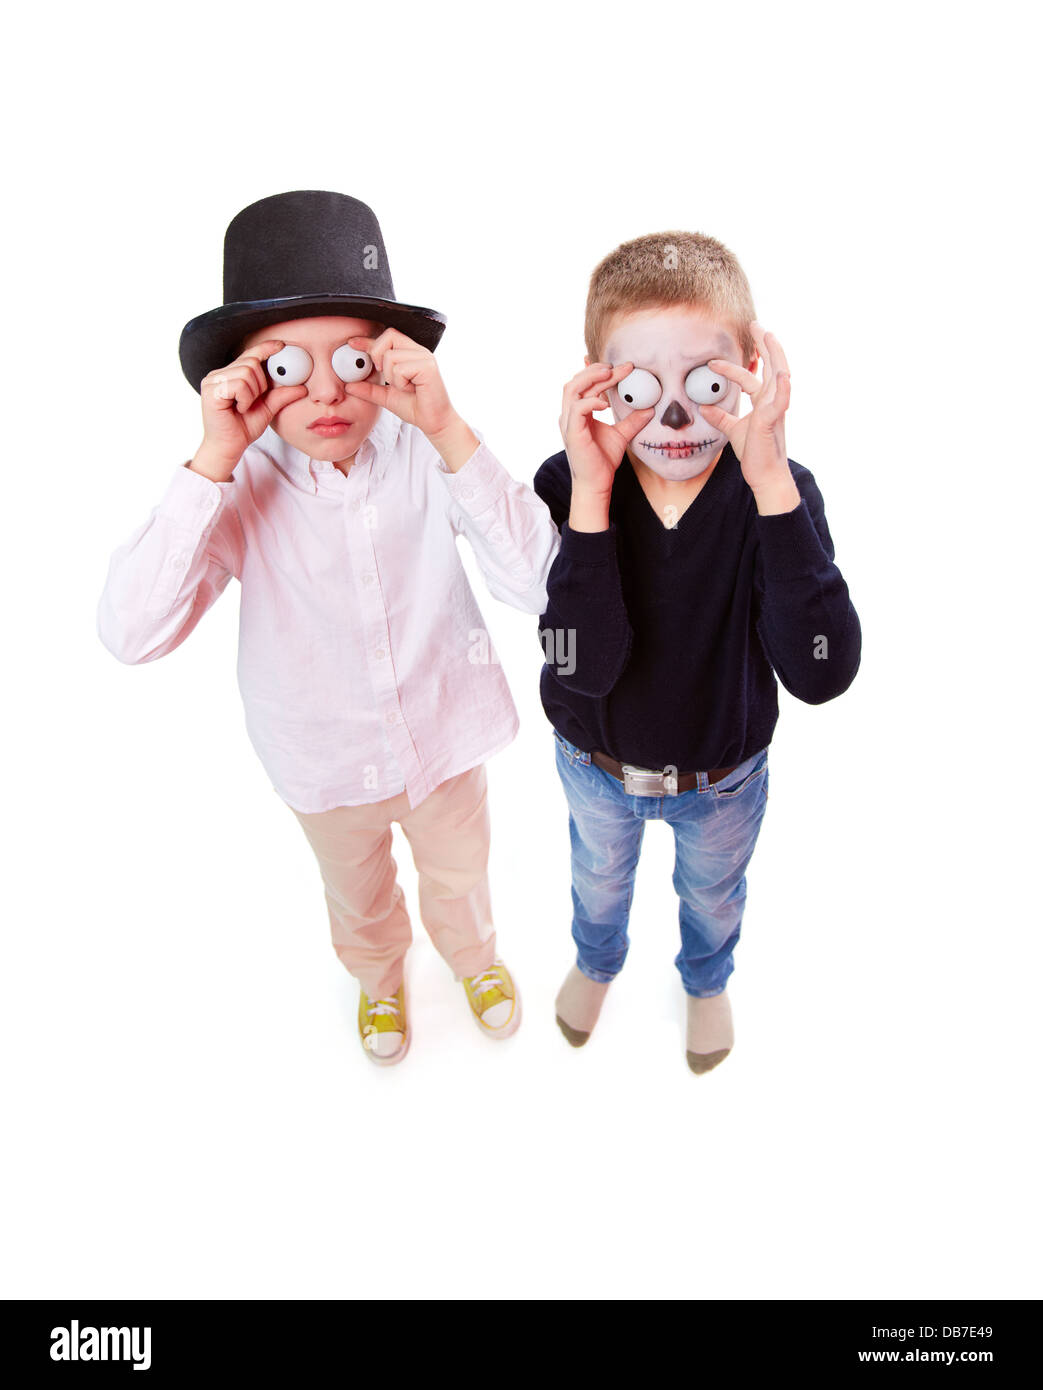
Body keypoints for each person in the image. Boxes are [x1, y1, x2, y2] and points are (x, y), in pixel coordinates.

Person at [97, 190, 560, 1067]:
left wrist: (449, 427)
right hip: (323, 761)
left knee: (460, 873)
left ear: (387, 361)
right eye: (281, 367)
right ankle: (380, 978)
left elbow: (546, 586)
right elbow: (131, 633)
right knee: (356, 893)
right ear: (238, 377)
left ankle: (474, 959)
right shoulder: (233, 489)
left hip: (445, 735)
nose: (320, 392)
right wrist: (214, 461)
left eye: (347, 360)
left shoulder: (428, 450)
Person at [533, 230, 862, 1073]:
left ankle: (705, 980)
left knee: (711, 894)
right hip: (596, 768)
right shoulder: (567, 483)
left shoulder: (777, 493)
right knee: (597, 883)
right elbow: (576, 665)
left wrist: (772, 485)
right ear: (597, 382)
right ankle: (597, 962)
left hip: (724, 782)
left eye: (707, 382)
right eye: (642, 386)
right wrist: (594, 500)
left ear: (753, 367)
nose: (675, 416)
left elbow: (822, 672)